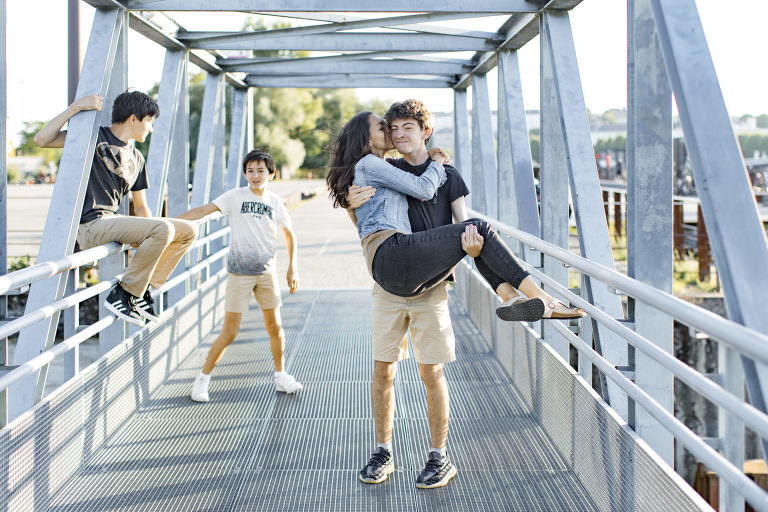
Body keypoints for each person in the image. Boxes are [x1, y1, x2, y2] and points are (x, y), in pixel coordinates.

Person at [331, 101, 585, 489]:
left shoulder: (446, 174)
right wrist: (350, 199)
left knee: (432, 369)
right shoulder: (389, 167)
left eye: (403, 128)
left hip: (428, 282)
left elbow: (461, 219)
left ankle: (438, 457)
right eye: (388, 128)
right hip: (391, 275)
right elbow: (371, 206)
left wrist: (440, 171)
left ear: (425, 131)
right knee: (383, 369)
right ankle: (383, 452)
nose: (395, 134)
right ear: (370, 137)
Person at [35, 91, 197, 325]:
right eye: (149, 122)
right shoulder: (93, 137)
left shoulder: (137, 158)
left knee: (188, 230)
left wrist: (149, 243)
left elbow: (141, 208)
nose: (150, 129)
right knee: (163, 228)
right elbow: (42, 139)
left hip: (112, 223)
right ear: (133, 119)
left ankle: (142, 290)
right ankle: (124, 294)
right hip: (90, 225)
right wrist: (75, 108)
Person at [178, 150, 302, 401]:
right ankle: (202, 379)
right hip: (239, 274)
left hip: (266, 272)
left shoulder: (275, 202)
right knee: (230, 332)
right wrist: (169, 221)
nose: (255, 175)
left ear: (271, 173)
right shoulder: (235, 197)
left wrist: (292, 267)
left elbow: (289, 235)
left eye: (261, 171)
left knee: (275, 327)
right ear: (245, 173)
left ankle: (281, 375)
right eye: (251, 171)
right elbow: (205, 210)